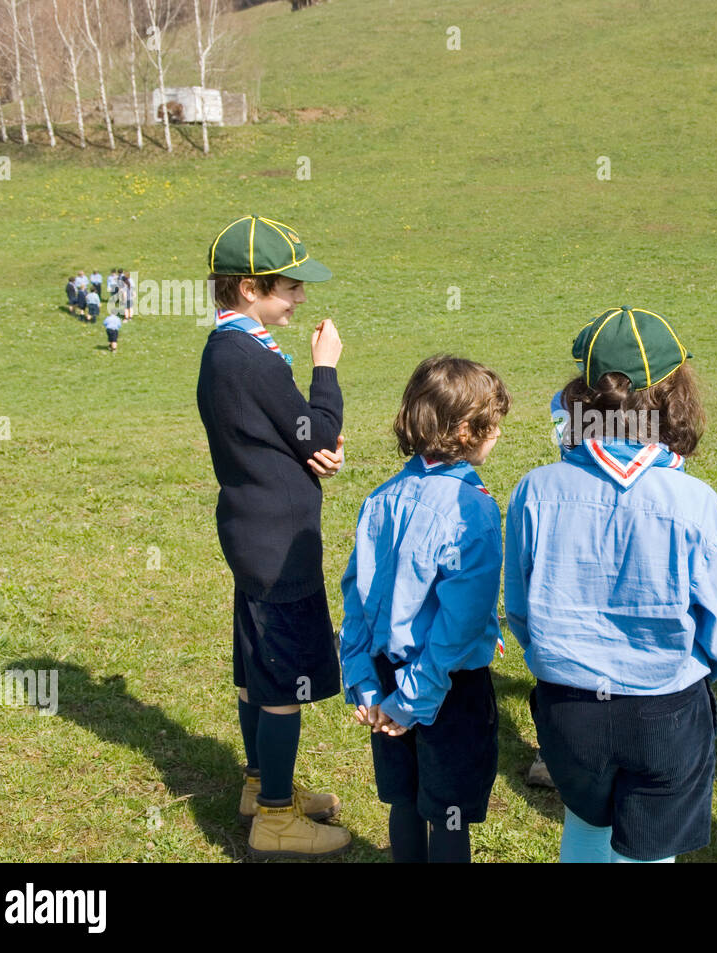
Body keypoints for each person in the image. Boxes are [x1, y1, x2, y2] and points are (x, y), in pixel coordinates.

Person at [505, 306, 717, 863]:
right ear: (673, 397)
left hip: (568, 707)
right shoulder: (695, 500)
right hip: (667, 706)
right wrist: (697, 674)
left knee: (585, 822)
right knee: (650, 849)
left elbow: (520, 608)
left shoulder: (535, 490)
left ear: (580, 397)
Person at [195, 214, 349, 859]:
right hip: (278, 540)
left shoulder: (228, 348)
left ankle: (261, 786)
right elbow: (314, 430)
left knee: (255, 666)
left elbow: (294, 440)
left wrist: (309, 448)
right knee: (285, 678)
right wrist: (325, 369)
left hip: (252, 528)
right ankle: (277, 819)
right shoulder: (250, 355)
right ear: (251, 288)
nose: (300, 298)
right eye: (290, 287)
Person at [340, 355, 509, 863]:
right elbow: (459, 625)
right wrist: (417, 698)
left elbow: (356, 596)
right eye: (493, 425)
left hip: (388, 678)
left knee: (405, 799)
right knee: (448, 813)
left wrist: (363, 678)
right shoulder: (474, 510)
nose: (498, 434)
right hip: (446, 688)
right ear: (464, 430)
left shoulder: (381, 497)